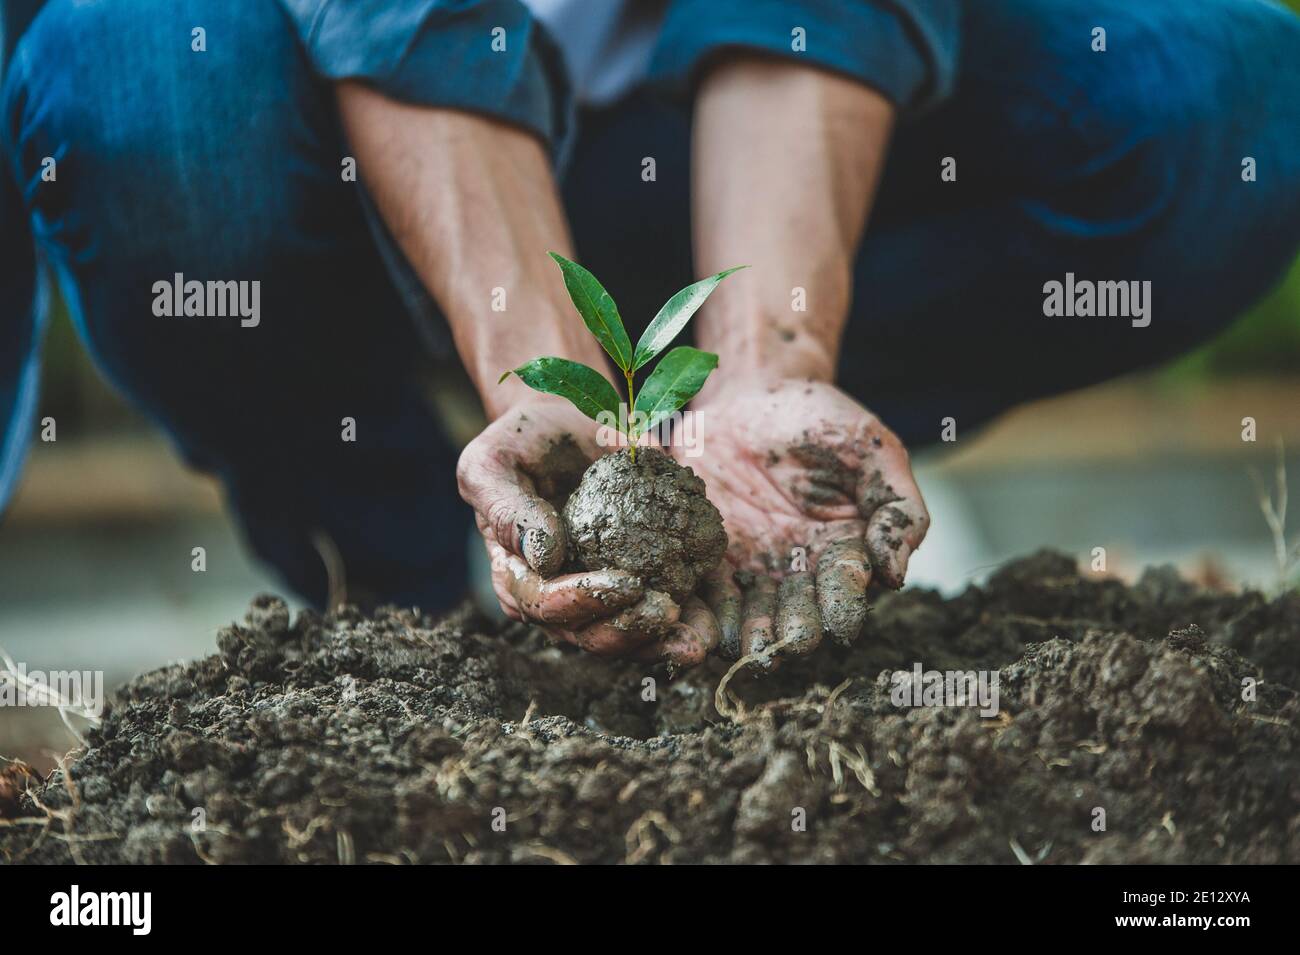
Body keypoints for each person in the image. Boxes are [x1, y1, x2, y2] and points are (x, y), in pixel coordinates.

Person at [2, 0, 1298, 668]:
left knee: (1234, 102)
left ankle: (756, 452)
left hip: (740, 137)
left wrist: (775, 350)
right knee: (135, 77)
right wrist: (535, 371)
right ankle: (410, 614)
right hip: (359, 135)